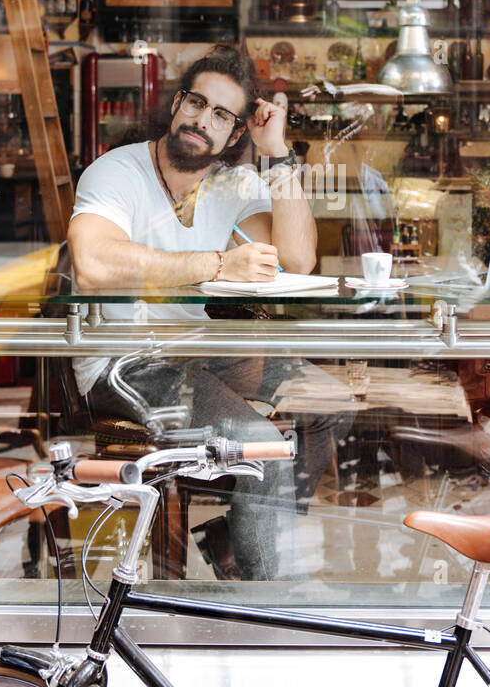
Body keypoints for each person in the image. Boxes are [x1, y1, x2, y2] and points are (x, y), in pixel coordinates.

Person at [68, 43, 348, 580]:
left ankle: (233, 536)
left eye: (222, 114)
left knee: (329, 405)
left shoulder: (235, 183)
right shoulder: (117, 172)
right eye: (197, 103)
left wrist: (278, 153)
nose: (203, 120)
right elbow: (94, 263)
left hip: (197, 357)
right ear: (177, 105)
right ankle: (266, 599)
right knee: (262, 447)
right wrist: (219, 264)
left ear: (236, 132)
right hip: (126, 363)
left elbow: (298, 257)